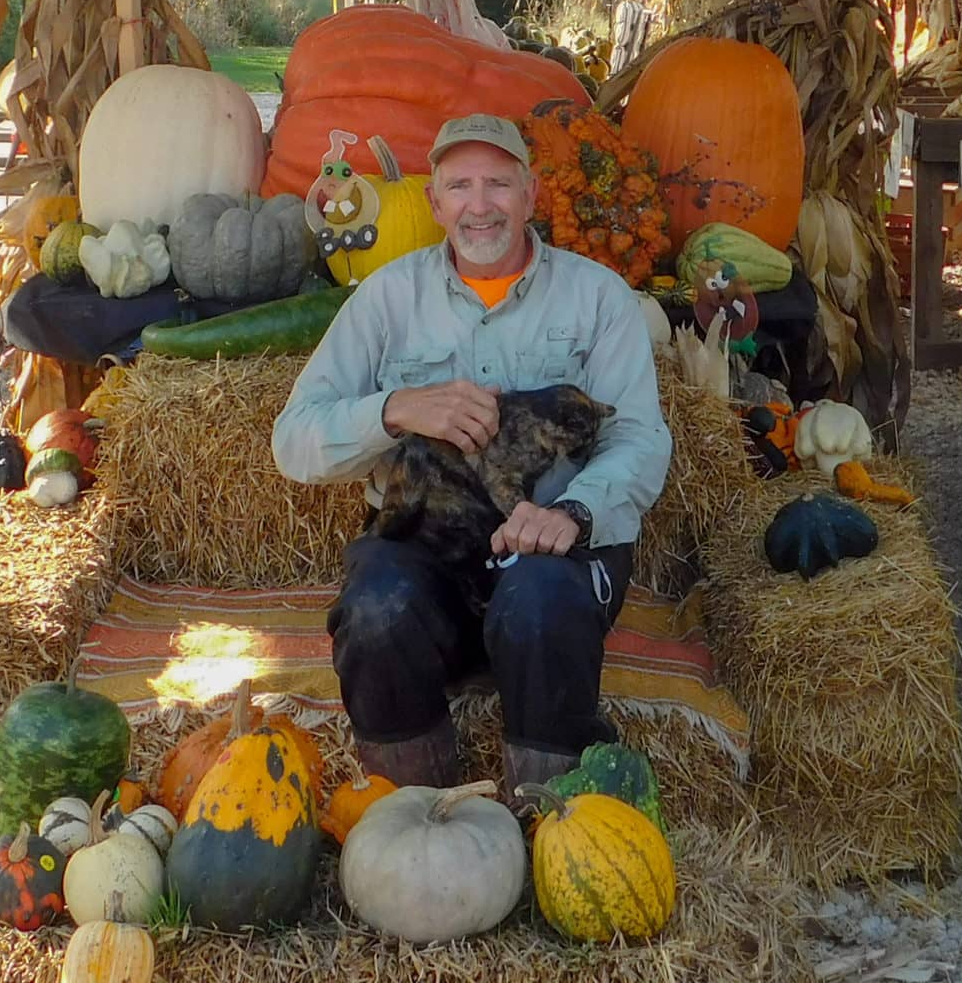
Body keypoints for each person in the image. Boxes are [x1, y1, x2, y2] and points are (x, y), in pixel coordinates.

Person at [271, 112, 672, 796]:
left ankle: (552, 821)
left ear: (531, 194)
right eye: (459, 186)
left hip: (557, 562)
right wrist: (394, 409)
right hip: (430, 560)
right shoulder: (386, 299)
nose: (479, 206)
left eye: (498, 185)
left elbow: (640, 437)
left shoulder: (598, 298)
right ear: (433, 202)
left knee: (540, 600)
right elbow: (294, 441)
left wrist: (574, 511)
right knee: (376, 609)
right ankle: (413, 817)